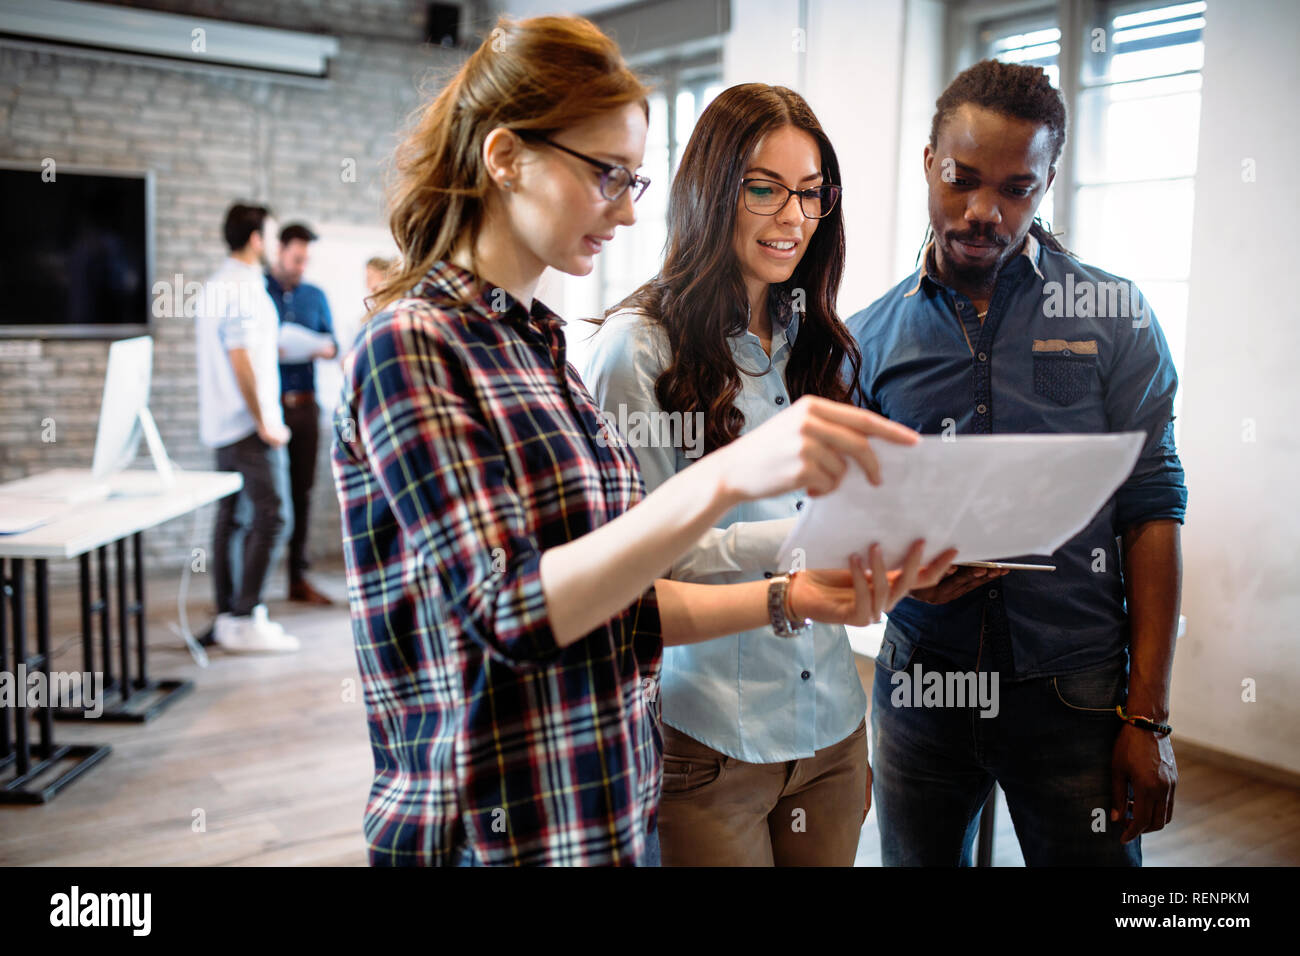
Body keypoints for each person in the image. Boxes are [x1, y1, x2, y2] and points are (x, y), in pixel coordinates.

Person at [330, 15, 955, 867]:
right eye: (606, 175)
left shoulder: (539, 347)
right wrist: (731, 482)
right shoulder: (413, 345)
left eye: (635, 178)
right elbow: (510, 612)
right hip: (494, 826)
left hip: (600, 808)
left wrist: (802, 593)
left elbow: (625, 606)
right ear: (506, 156)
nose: (628, 209)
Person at [847, 59, 1186, 866]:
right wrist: (898, 574)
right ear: (928, 162)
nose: (983, 212)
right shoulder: (864, 341)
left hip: (1077, 695)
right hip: (920, 691)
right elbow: (850, 519)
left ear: (1049, 182)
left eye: (1016, 189)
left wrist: (1148, 719)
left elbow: (1153, 508)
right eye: (962, 179)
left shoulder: (1114, 318)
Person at [580, 84, 875, 866]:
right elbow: (647, 564)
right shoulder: (636, 349)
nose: (793, 219)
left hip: (834, 726)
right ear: (712, 191)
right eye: (765, 189)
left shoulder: (815, 337)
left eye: (812, 194)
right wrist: (812, 548)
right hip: (708, 738)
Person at [196, 202, 300, 653]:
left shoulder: (216, 286)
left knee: (233, 520)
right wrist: (266, 422)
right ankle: (245, 615)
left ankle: (228, 617)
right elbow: (242, 360)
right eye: (272, 237)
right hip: (248, 427)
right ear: (257, 239)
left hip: (222, 425)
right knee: (275, 516)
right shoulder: (244, 290)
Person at [267, 222, 338, 606]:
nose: (300, 266)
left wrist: (309, 346)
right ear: (280, 251)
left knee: (302, 493)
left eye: (305, 260)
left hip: (306, 407)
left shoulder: (315, 295)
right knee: (262, 499)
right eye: (296, 258)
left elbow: (332, 345)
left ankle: (298, 579)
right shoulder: (259, 292)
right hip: (270, 409)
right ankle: (250, 592)